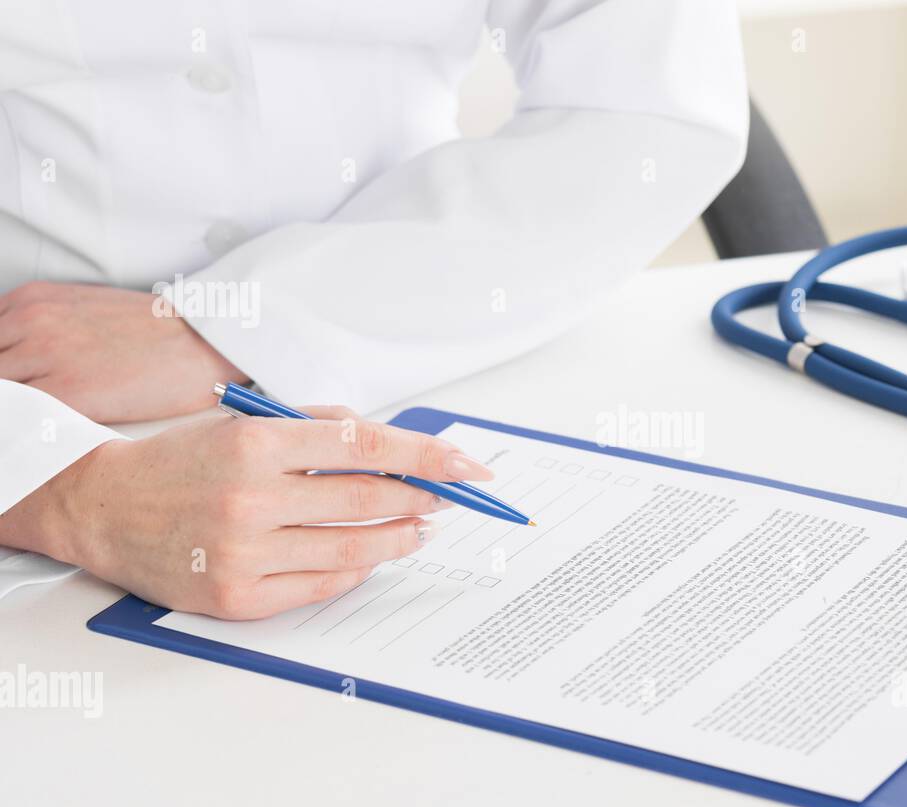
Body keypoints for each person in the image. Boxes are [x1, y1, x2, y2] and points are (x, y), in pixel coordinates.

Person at [0, 1, 748, 618]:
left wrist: (228, 326)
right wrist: (63, 492)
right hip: (37, 399)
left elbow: (654, 107)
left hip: (429, 330)